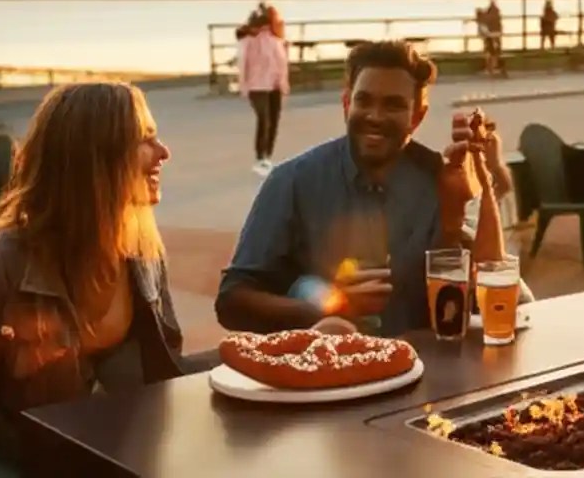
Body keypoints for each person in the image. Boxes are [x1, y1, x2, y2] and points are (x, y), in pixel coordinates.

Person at [215, 40, 528, 338]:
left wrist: (478, 185)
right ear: (346, 103)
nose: (375, 117)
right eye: (364, 101)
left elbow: (503, 294)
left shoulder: (441, 177)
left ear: (417, 116)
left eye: (393, 105)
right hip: (328, 375)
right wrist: (328, 309)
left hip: (428, 376)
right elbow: (232, 302)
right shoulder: (292, 181)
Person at [0, 83, 199, 470]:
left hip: (122, 455)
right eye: (145, 140)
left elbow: (168, 371)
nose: (164, 153)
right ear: (94, 158)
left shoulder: (143, 253)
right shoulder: (0, 267)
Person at [237, 7, 290, 177]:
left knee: (274, 121)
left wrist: (283, 84)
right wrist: (244, 86)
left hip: (275, 86)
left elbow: (282, 65)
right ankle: (261, 157)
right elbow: (243, 64)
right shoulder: (249, 41)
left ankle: (267, 157)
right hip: (257, 86)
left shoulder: (277, 40)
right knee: (264, 119)